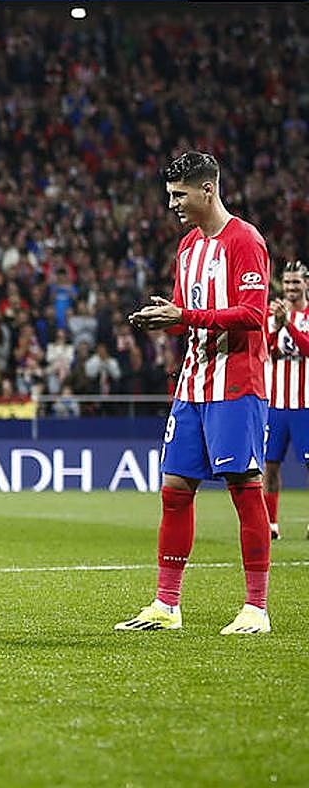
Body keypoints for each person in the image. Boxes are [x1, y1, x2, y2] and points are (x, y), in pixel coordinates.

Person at [117, 152, 273, 635]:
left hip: (236, 383)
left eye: (180, 194)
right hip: (192, 382)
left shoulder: (244, 241)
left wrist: (184, 317)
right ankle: (166, 605)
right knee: (175, 490)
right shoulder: (187, 247)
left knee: (245, 489)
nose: (173, 204)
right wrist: (165, 317)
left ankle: (256, 608)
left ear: (208, 190)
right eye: (169, 194)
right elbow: (190, 311)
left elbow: (252, 314)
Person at [266, 261, 309, 540]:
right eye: (287, 282)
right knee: (270, 466)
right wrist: (276, 329)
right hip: (275, 405)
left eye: (296, 282)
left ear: (307, 284)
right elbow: (264, 350)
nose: (291, 287)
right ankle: (270, 526)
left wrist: (288, 327)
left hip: (305, 404)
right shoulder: (271, 314)